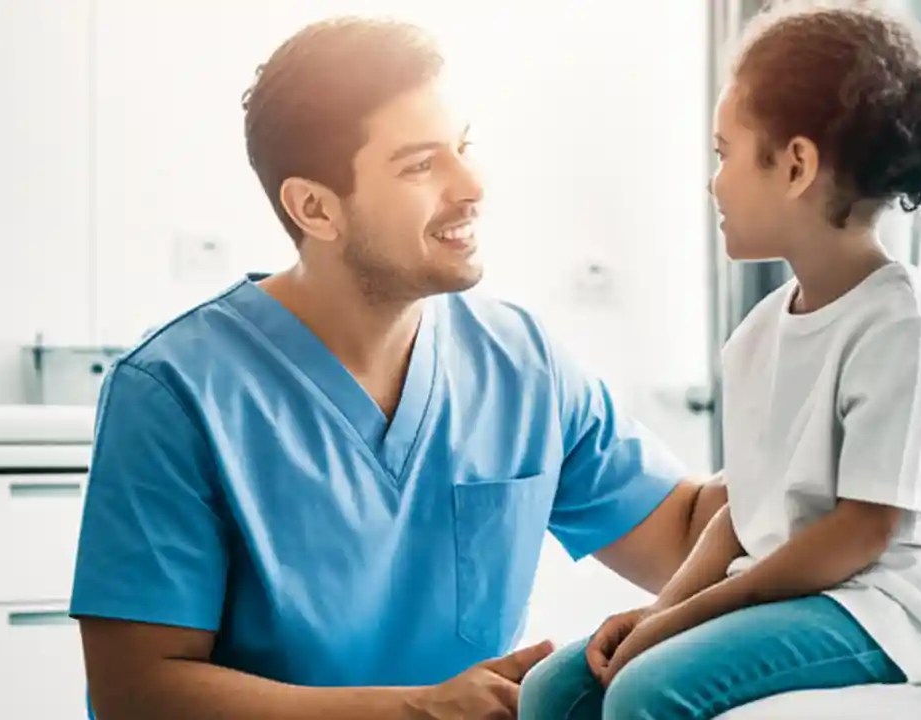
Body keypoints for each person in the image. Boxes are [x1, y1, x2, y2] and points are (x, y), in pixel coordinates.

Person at [68, 17, 725, 720]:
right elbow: (136, 692)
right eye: (420, 165)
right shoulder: (174, 391)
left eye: (463, 148)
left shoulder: (521, 363)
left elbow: (686, 534)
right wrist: (417, 710)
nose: (471, 185)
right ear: (314, 208)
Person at [520, 3, 921, 719]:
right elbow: (744, 512)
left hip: (880, 611)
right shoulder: (759, 334)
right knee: (554, 691)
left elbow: (862, 533)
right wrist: (660, 611)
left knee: (649, 690)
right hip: (790, 591)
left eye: (725, 154)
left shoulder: (904, 329)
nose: (712, 182)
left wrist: (684, 620)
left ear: (796, 165)